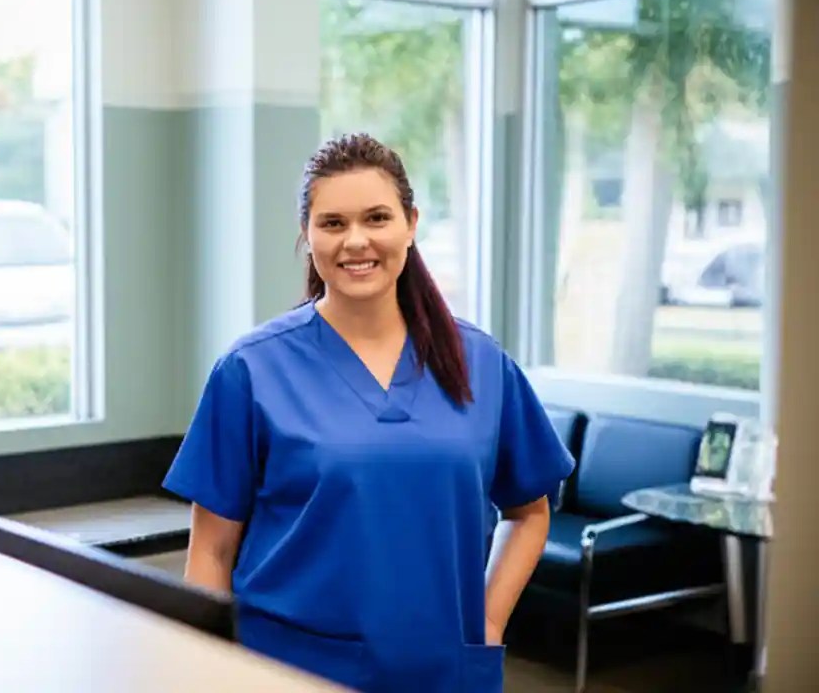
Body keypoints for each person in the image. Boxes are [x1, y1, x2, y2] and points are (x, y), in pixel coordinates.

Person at [162, 133, 575, 692]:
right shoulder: (251, 369)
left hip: (442, 672)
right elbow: (210, 550)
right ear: (307, 236)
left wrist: (489, 621)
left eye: (377, 218)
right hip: (285, 669)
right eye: (332, 223)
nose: (356, 241)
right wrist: (207, 676)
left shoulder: (481, 362)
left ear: (411, 223)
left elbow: (530, 510)